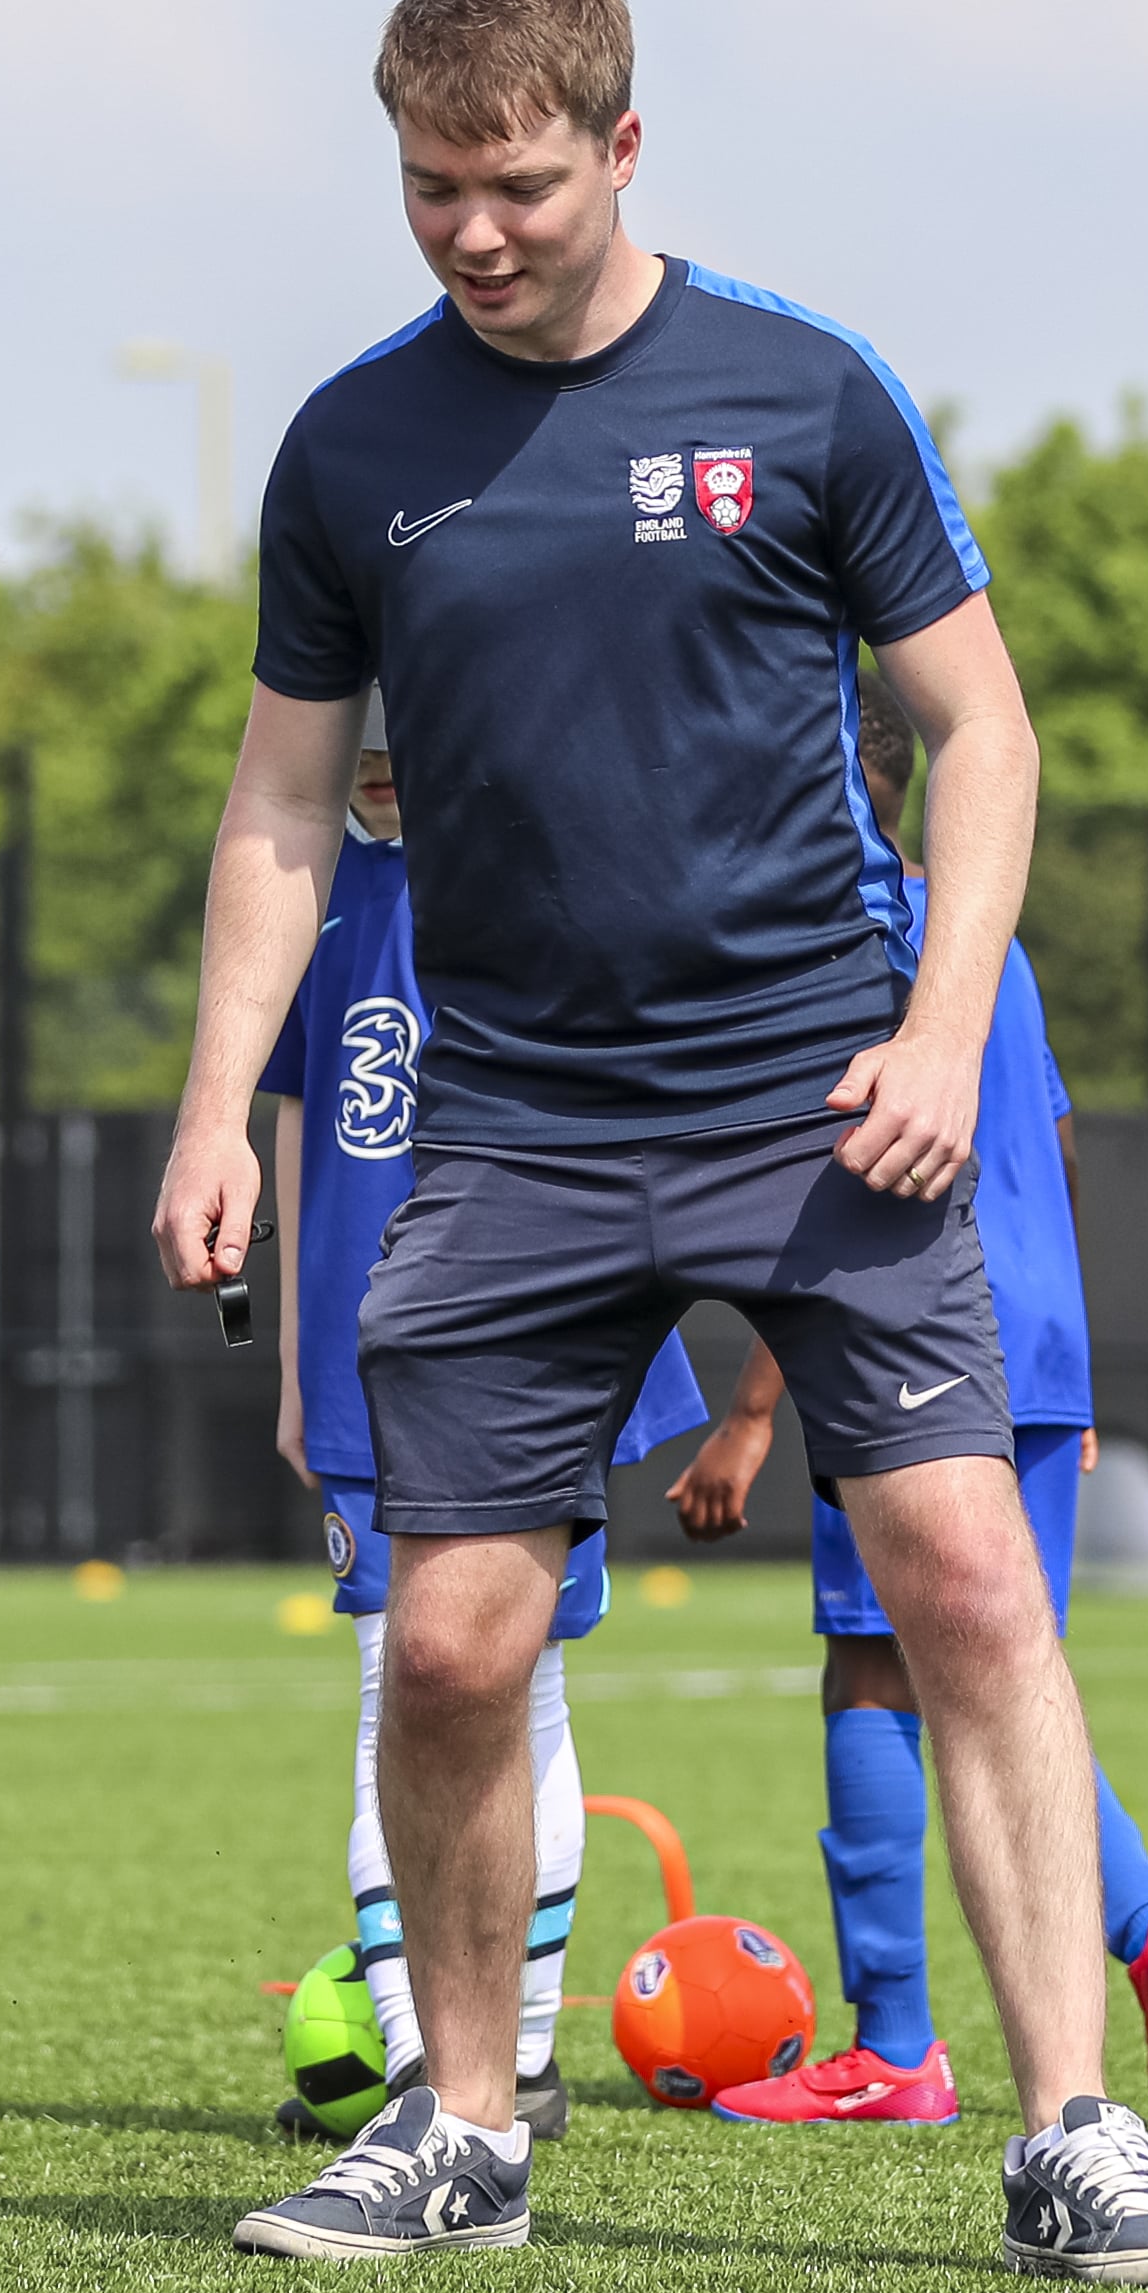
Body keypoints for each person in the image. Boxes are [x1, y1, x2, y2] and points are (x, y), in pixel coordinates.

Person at [156, 0, 1148, 2285]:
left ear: (621, 146)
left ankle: (1075, 2131)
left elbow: (985, 730)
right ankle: (460, 2131)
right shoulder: (351, 447)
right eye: (431, 183)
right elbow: (275, 802)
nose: (470, 228)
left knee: (963, 1579)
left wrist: (942, 1027)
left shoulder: (804, 394)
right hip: (511, 1125)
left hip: (808, 1100)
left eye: (517, 182)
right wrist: (213, 1103)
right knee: (448, 1640)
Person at [670, 695, 1148, 2128]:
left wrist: (746, 1416)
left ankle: (897, 2045)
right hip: (1039, 1342)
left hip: (931, 1340)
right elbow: (1043, 1144)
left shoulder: (837, 951)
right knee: (1002, 1680)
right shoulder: (995, 945)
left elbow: (830, 1201)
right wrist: (1075, 1370)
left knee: (874, 1674)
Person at [259, 693, 704, 2140]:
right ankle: (457, 2051)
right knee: (421, 1680)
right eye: (362, 762)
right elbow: (287, 1112)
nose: (378, 784)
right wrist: (288, 1359)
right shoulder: (304, 892)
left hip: (536, 1332)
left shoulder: (543, 868)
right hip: (362, 1353)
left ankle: (469, 2057)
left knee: (491, 1686)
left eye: (401, 757)